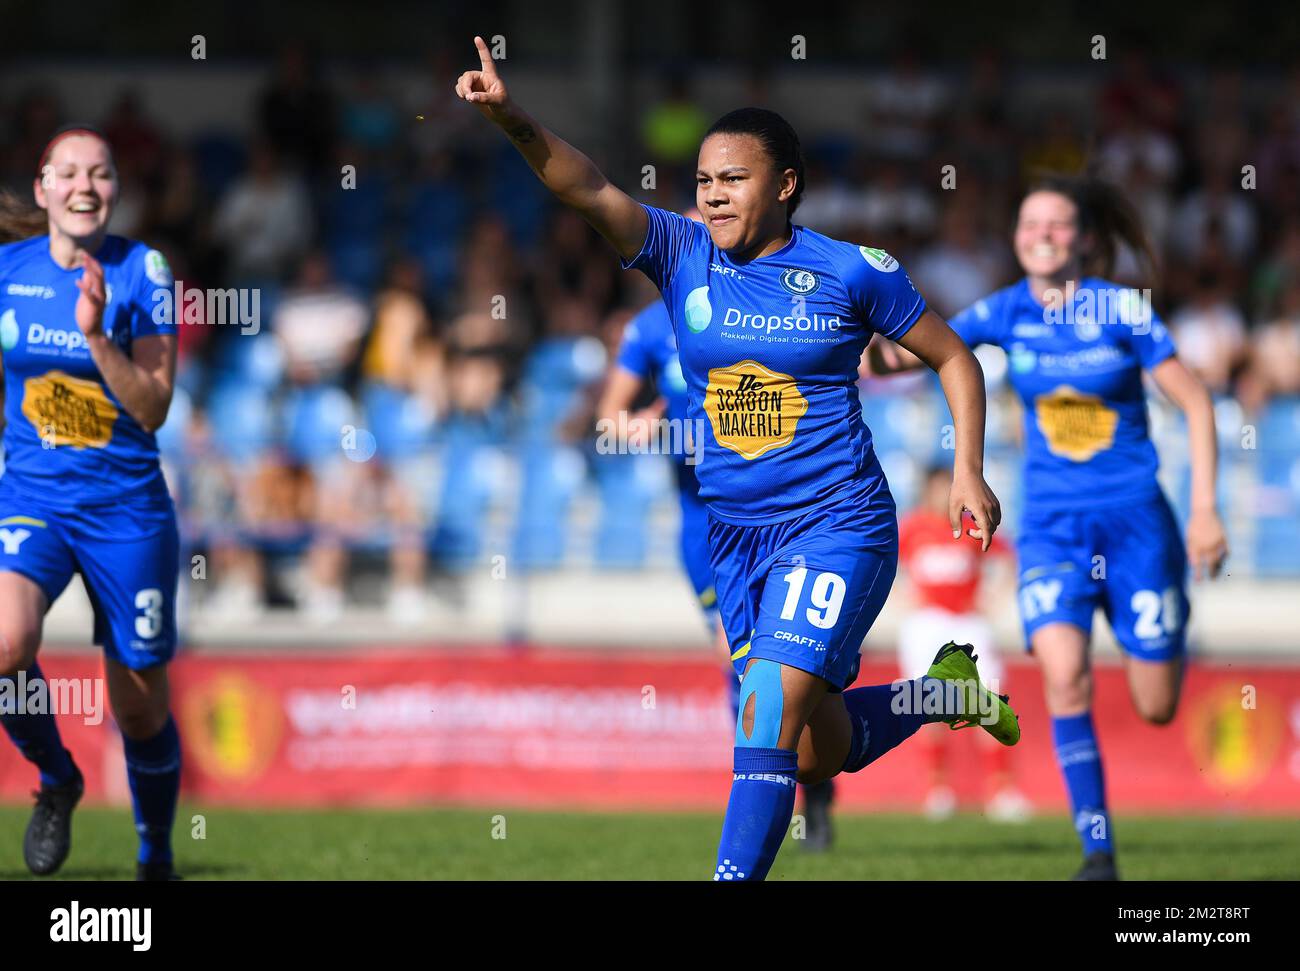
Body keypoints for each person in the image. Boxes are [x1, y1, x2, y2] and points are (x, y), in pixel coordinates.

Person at [456, 36, 1019, 881]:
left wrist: (967, 466)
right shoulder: (681, 254)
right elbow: (585, 186)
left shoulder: (851, 272)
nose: (713, 195)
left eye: (734, 179)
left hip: (838, 523)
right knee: (815, 752)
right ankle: (943, 692)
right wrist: (513, 121)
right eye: (705, 181)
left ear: (784, 184)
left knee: (762, 713)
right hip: (736, 535)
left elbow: (954, 355)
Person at [870, 175, 1229, 880]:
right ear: (1015, 237)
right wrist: (873, 341)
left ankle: (1166, 621)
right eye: (1029, 222)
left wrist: (1207, 508)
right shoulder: (1003, 310)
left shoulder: (1122, 310)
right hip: (1054, 530)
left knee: (1156, 706)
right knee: (1065, 679)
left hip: (1137, 529)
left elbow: (1195, 403)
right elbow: (922, 351)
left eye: (1057, 224)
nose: (1041, 234)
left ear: (1085, 238)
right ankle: (1098, 850)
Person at [596, 227, 838, 851]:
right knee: (744, 658)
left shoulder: (773, 305)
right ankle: (771, 789)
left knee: (791, 661)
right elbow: (610, 425)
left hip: (783, 515)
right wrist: (650, 427)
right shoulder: (650, 329)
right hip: (706, 531)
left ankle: (810, 787)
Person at [0, 125, 184, 879]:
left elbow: (154, 408)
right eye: (68, 172)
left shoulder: (146, 270)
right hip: (32, 498)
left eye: (101, 173)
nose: (85, 185)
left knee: (139, 706)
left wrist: (99, 339)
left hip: (126, 513)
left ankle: (155, 857)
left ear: (116, 189)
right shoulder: (6, 269)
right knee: (4, 645)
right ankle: (56, 777)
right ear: (42, 188)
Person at [897, 465, 1028, 821]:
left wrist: (992, 598)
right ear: (926, 491)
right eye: (938, 488)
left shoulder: (968, 526)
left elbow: (1009, 556)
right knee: (927, 702)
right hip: (927, 623)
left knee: (988, 697)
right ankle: (937, 790)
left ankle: (1002, 791)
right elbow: (883, 564)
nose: (944, 496)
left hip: (968, 623)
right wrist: (904, 599)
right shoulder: (912, 528)